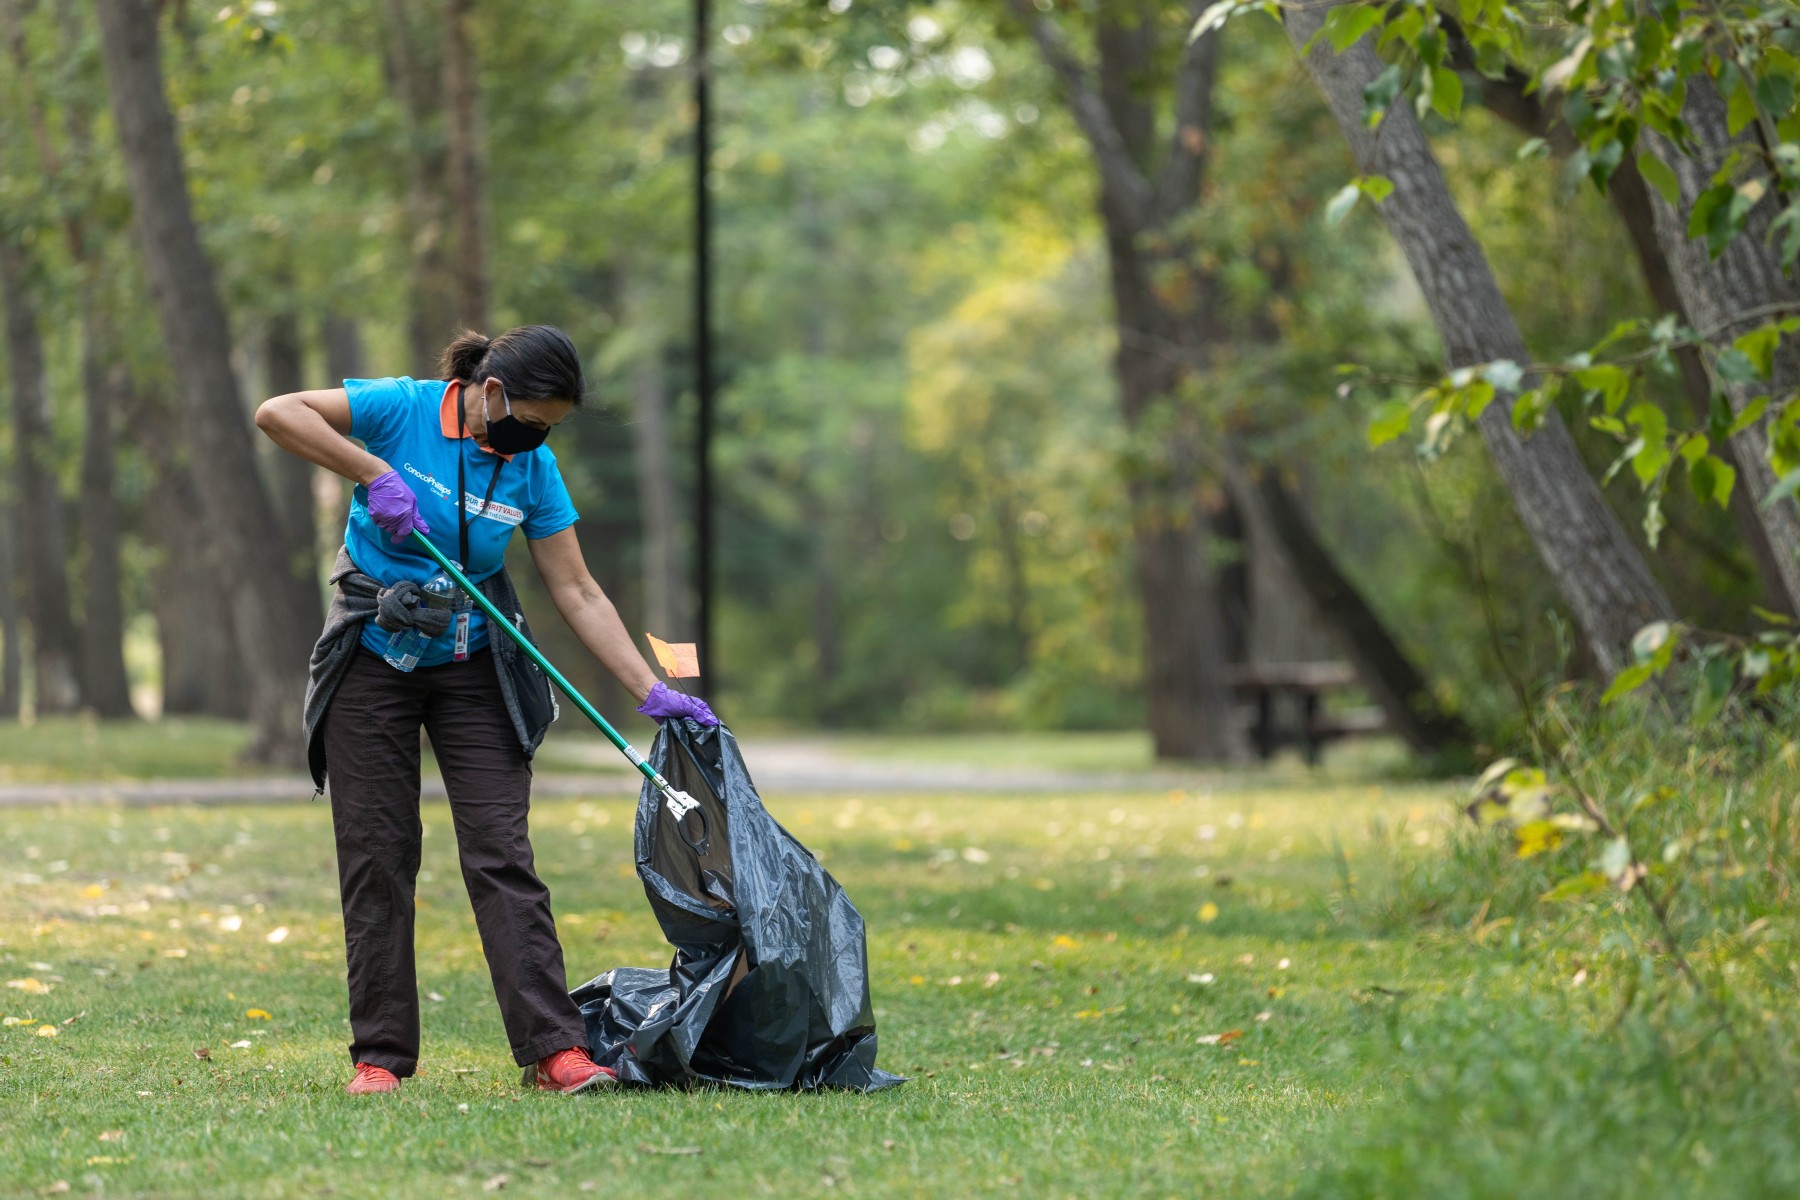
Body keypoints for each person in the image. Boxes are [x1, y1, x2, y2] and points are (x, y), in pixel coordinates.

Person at [256, 325, 716, 1096]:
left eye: (550, 429)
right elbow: (276, 412)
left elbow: (577, 590)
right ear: (492, 391)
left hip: (475, 667)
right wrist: (373, 473)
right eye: (533, 421)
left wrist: (650, 690)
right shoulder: (402, 408)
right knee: (378, 855)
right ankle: (380, 1058)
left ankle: (554, 1051)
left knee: (503, 856)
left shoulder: (533, 468)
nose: (535, 439)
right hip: (373, 656)